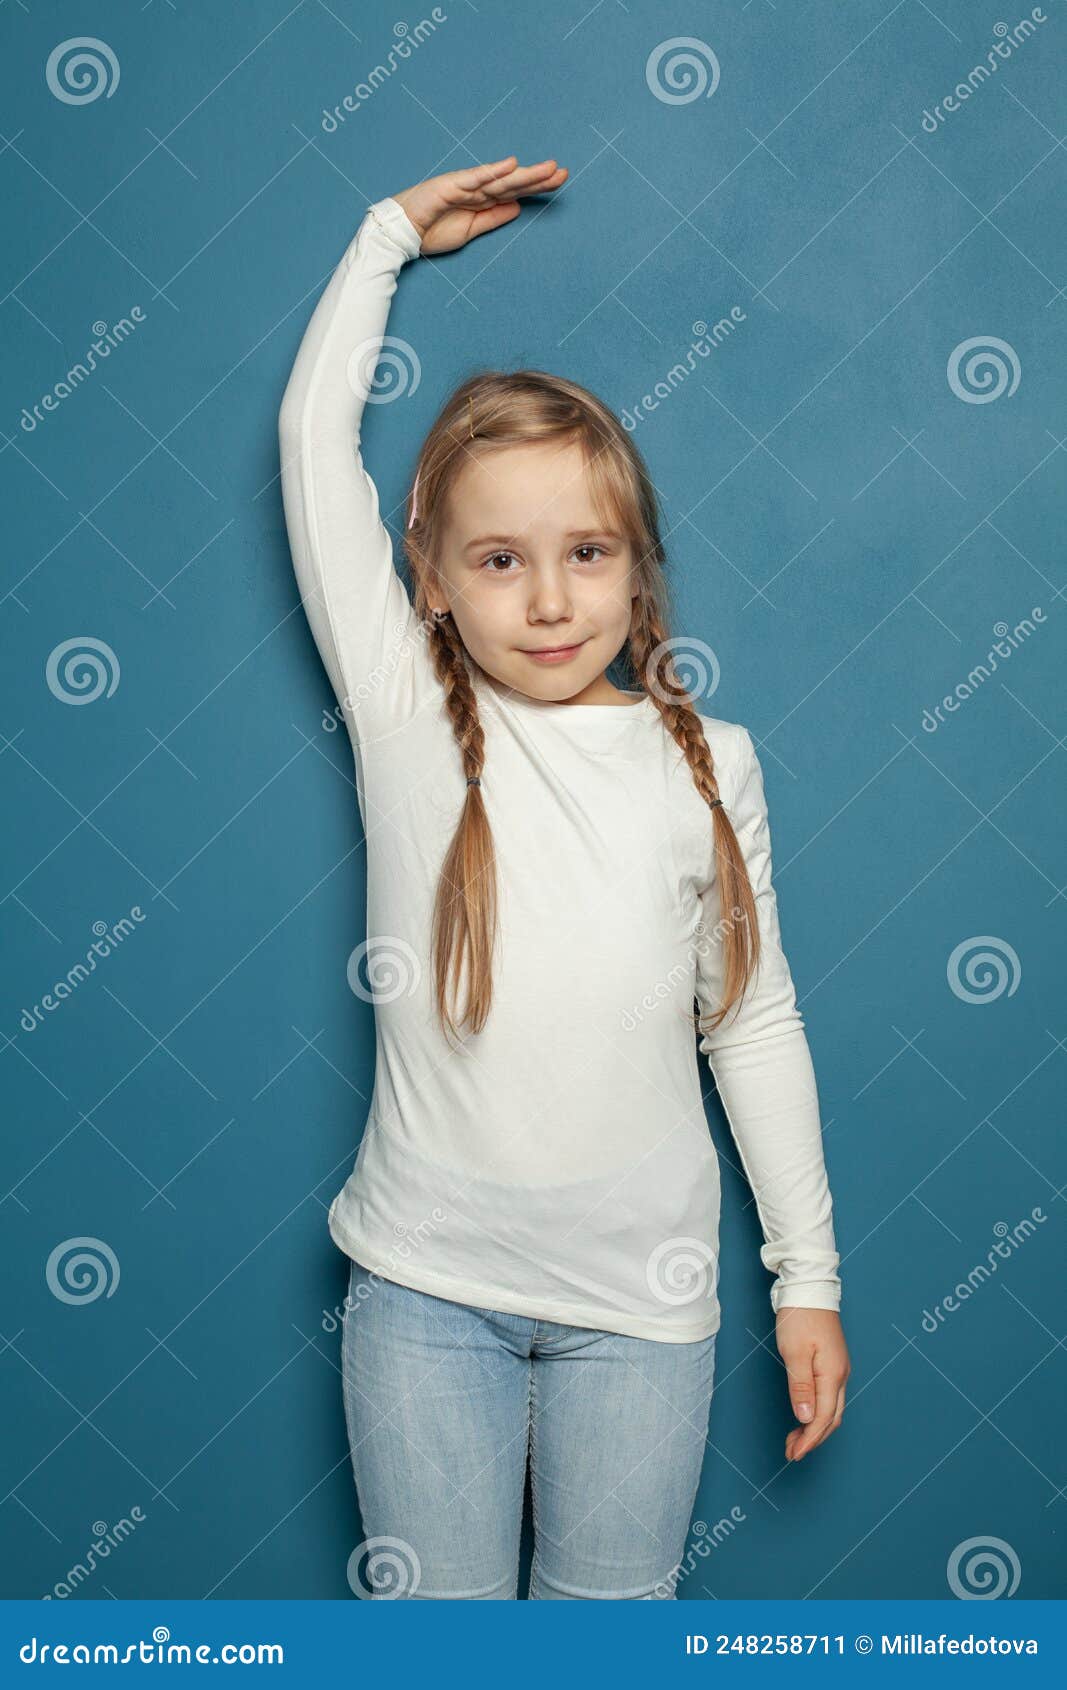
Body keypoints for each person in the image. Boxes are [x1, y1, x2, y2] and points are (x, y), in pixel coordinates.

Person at [278, 156, 850, 1601]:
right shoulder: (409, 715)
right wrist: (388, 238)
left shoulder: (708, 760)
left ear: (635, 568)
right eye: (500, 558)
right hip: (423, 1296)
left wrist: (808, 1276)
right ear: (432, 577)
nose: (547, 600)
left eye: (586, 553)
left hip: (642, 1313)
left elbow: (754, 1020)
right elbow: (309, 438)